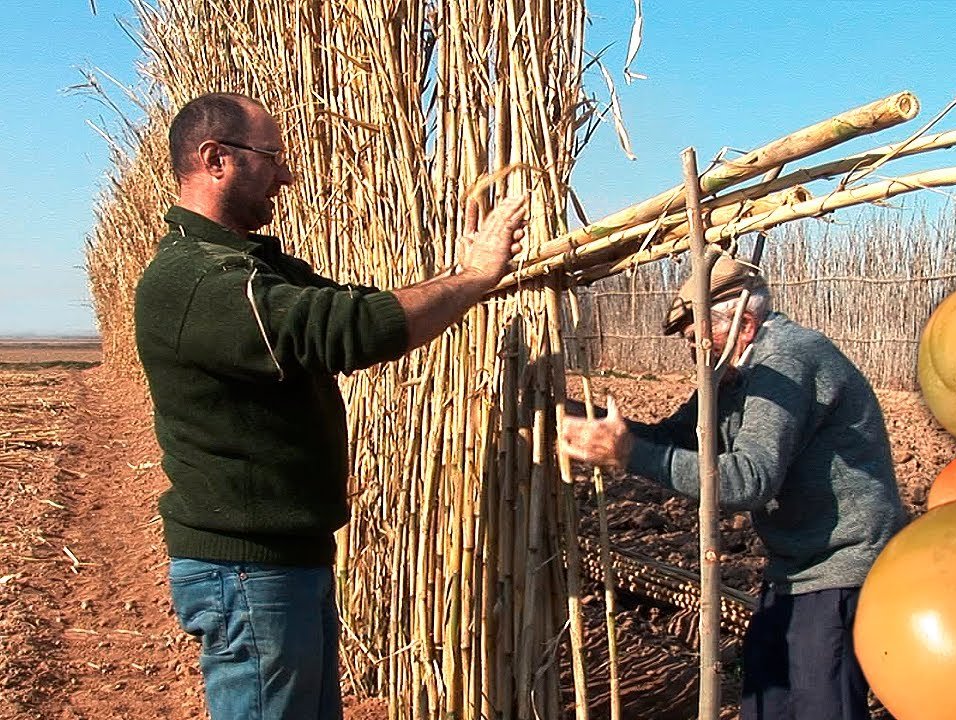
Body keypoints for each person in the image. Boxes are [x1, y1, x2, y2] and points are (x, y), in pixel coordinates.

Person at [133, 92, 529, 720]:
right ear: (216, 160)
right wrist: (475, 280)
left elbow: (359, 305)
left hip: (280, 563)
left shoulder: (247, 267)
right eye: (271, 158)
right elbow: (349, 329)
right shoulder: (195, 282)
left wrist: (459, 269)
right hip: (246, 571)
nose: (286, 175)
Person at [559, 252, 908, 720]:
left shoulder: (784, 362)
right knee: (766, 700)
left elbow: (749, 480)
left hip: (842, 564)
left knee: (821, 706)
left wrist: (629, 455)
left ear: (743, 324)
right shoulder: (731, 375)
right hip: (796, 565)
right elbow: (671, 436)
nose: (694, 352)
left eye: (697, 338)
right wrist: (576, 419)